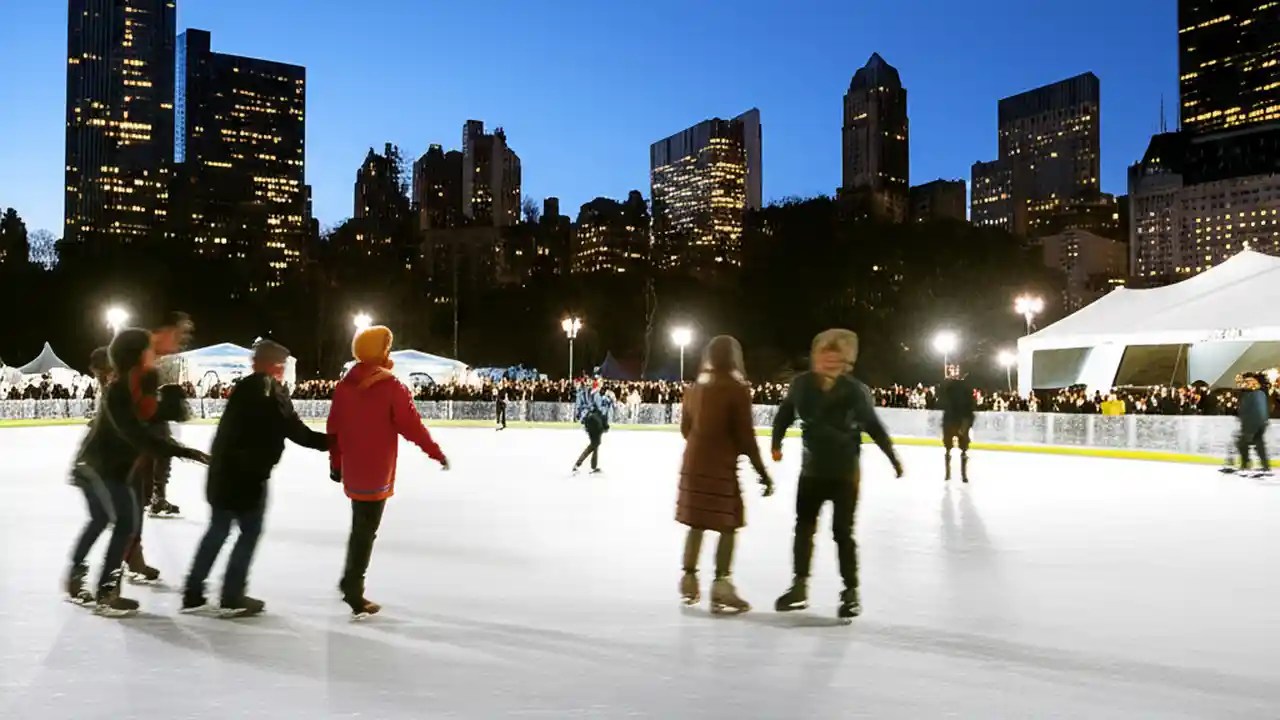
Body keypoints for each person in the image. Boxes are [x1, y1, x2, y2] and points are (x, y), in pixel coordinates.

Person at [67, 329, 209, 616]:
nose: (153, 354)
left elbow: (149, 417)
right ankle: (105, 592)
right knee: (124, 522)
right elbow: (136, 434)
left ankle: (82, 580)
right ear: (136, 355)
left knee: (106, 520)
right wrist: (185, 452)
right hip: (95, 468)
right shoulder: (119, 390)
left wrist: (169, 409)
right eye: (148, 350)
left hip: (109, 469)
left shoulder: (134, 385)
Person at [183, 339, 329, 617]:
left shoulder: (244, 388)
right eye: (281, 365)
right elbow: (297, 431)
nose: (282, 370)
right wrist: (335, 442)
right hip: (246, 478)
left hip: (223, 474)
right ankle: (232, 594)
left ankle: (193, 592)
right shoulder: (268, 390)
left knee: (218, 531)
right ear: (272, 365)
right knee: (248, 533)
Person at [770, 329, 904, 620]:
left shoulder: (855, 391)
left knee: (843, 533)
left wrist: (892, 457)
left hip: (845, 473)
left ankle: (850, 591)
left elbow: (873, 425)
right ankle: (799, 586)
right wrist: (775, 444)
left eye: (837, 359)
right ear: (814, 358)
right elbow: (784, 414)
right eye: (824, 357)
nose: (829, 363)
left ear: (846, 363)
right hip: (812, 472)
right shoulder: (801, 385)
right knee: (804, 528)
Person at [328, 325, 449, 618]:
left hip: (354, 470)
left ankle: (349, 581)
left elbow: (334, 428)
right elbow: (411, 427)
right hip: (377, 472)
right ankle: (354, 591)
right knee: (365, 532)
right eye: (386, 348)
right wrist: (435, 452)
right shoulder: (391, 386)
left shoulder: (345, 385)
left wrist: (335, 464)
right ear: (379, 351)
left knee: (361, 528)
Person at [675, 336, 773, 613]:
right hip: (721, 467)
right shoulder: (736, 387)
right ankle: (721, 584)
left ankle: (689, 579)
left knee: (697, 522)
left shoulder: (696, 386)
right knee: (728, 523)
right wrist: (763, 473)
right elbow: (746, 438)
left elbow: (686, 429)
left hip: (694, 465)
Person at [939, 371, 976, 482]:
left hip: (951, 420)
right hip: (960, 420)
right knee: (963, 449)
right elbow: (971, 408)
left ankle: (948, 474)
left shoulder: (949, 388)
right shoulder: (967, 390)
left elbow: (942, 403)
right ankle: (963, 475)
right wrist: (968, 423)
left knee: (948, 448)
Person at [572, 379, 612, 474]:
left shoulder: (584, 393)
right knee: (594, 444)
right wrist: (608, 400)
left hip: (587, 421)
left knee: (595, 443)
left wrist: (578, 417)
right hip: (595, 421)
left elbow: (578, 408)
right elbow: (601, 409)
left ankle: (593, 466)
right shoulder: (596, 394)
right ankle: (578, 464)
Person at [1237, 373, 1271, 476]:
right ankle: (1265, 465)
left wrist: (1257, 425)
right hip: (1253, 424)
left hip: (1254, 424)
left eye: (1248, 382)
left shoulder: (1257, 394)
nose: (1245, 384)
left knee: (1242, 444)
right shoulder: (1248, 394)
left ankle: (1245, 463)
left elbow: (1260, 411)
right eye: (1245, 382)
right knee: (1259, 445)